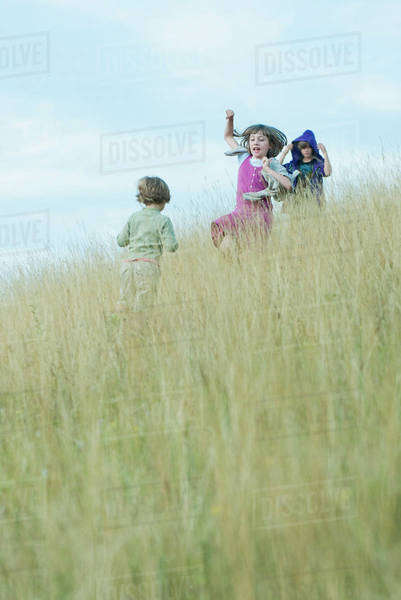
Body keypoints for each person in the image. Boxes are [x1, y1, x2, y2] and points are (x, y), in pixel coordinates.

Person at [211, 109, 294, 250]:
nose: (256, 143)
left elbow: (288, 185)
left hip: (260, 217)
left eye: (261, 140)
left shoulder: (272, 163)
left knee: (253, 251)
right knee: (225, 243)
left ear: (270, 145)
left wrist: (268, 170)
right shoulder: (243, 156)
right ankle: (234, 267)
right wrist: (230, 120)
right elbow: (228, 137)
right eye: (252, 139)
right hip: (239, 213)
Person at [116, 176, 178, 312]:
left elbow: (121, 241)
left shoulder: (134, 217)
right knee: (144, 305)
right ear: (164, 199)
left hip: (127, 266)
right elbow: (171, 246)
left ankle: (119, 327)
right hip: (147, 266)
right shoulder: (163, 220)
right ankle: (140, 330)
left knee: (124, 301)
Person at [279, 130, 332, 207]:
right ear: (300, 149)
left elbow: (327, 173)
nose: (306, 150)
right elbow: (278, 170)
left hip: (314, 201)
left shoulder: (317, 163)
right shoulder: (295, 164)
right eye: (303, 148)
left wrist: (325, 153)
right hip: (296, 201)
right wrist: (285, 152)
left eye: (309, 147)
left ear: (313, 148)